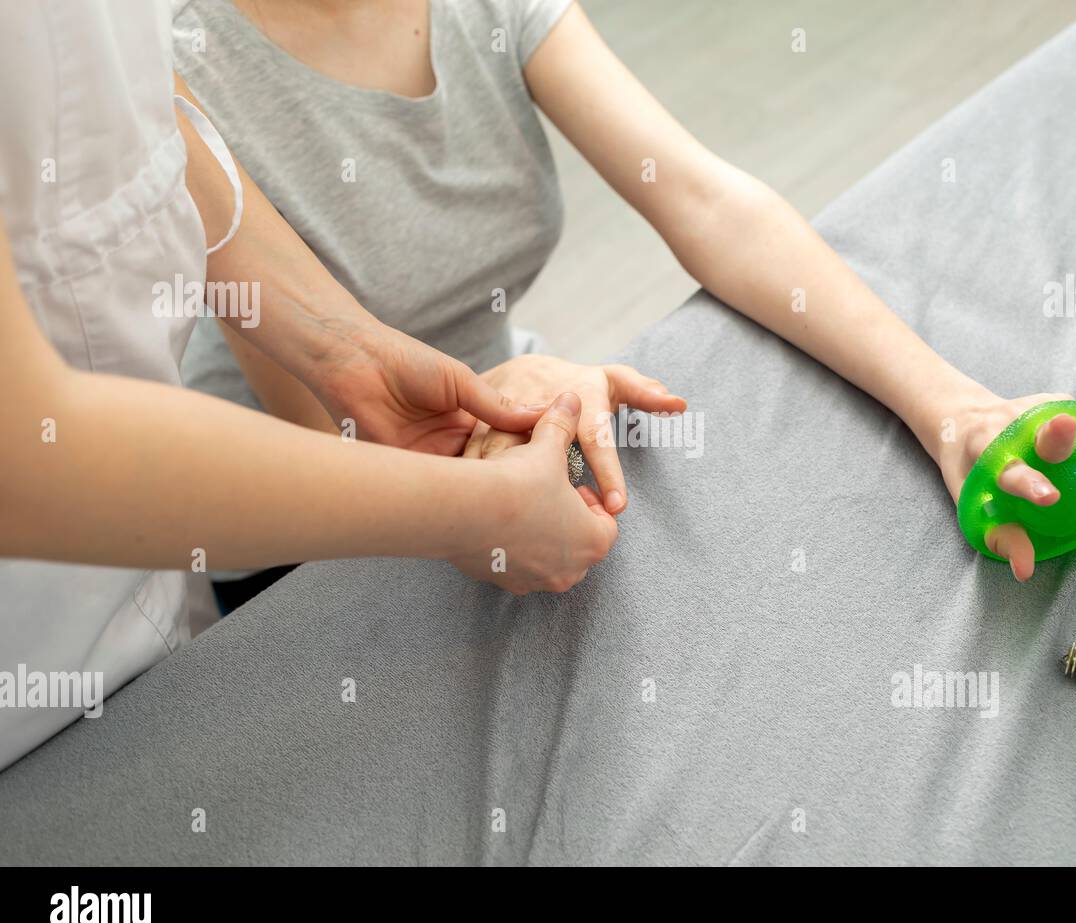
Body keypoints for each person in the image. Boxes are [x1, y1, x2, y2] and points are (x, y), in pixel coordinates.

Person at [174, 0, 1076, 585]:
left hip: (506, 405)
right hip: (308, 501)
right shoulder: (172, 63)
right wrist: (489, 444)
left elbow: (708, 202)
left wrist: (953, 405)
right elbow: (326, 423)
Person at [0, 0, 617, 770]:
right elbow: (25, 460)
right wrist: (481, 511)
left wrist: (344, 349)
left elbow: (140, 110)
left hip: (124, 622)